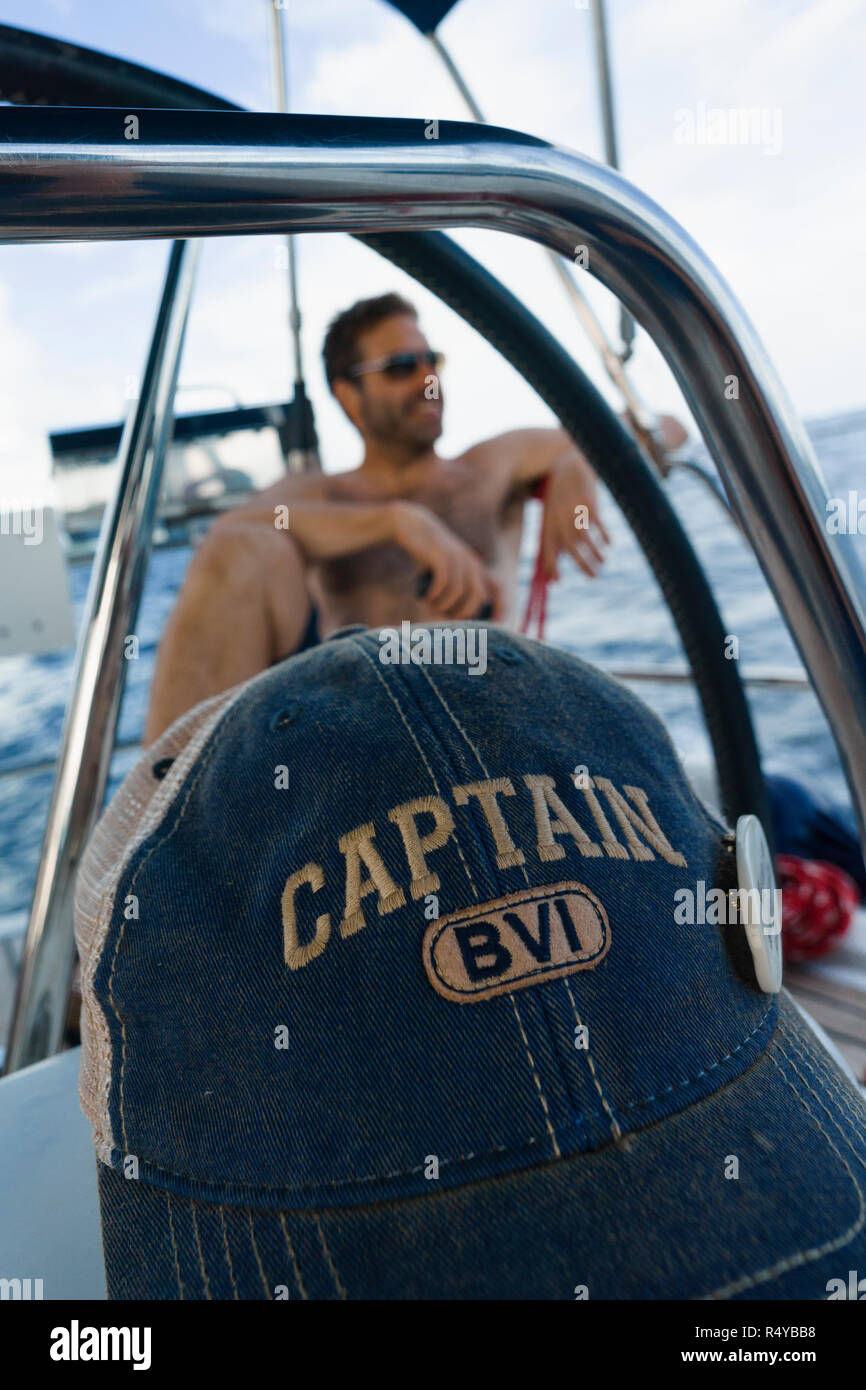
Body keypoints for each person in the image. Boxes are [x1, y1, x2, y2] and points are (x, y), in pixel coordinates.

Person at [144, 292, 681, 744]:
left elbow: (667, 430)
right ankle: (171, 839)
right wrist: (398, 522)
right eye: (402, 367)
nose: (428, 381)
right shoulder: (319, 494)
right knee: (240, 551)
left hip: (495, 731)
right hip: (365, 747)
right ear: (348, 396)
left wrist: (580, 459)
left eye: (432, 361)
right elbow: (236, 537)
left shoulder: (490, 467)